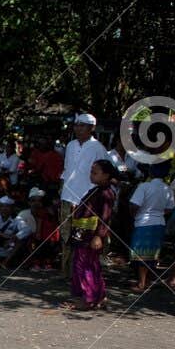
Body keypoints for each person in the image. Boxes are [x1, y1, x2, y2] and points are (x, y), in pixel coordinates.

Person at [65, 158, 118, 311]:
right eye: (91, 172)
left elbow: (105, 217)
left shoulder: (107, 193)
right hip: (82, 233)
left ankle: (87, 299)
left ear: (106, 175)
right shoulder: (96, 190)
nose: (91, 175)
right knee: (91, 265)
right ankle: (99, 296)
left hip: (90, 236)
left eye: (95, 173)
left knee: (84, 266)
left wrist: (98, 236)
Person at [59, 112, 108, 274]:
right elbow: (66, 171)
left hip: (86, 200)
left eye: (83, 125)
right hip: (67, 196)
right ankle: (66, 271)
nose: (78, 129)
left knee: (82, 237)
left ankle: (80, 273)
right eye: (77, 125)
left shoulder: (98, 148)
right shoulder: (71, 145)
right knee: (65, 235)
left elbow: (104, 174)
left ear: (91, 128)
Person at [127, 164, 175, 291]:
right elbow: (170, 208)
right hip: (159, 222)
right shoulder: (167, 188)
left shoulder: (144, 186)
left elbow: (134, 205)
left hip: (144, 222)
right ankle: (147, 280)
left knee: (141, 253)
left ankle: (141, 283)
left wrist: (134, 215)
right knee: (153, 253)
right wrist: (158, 212)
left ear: (151, 172)